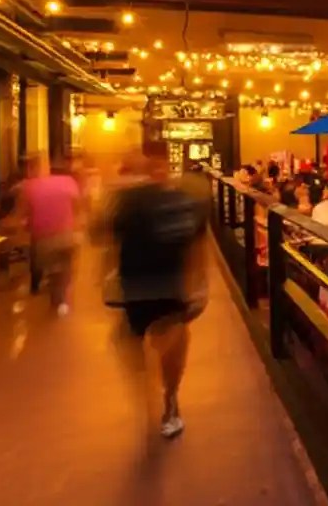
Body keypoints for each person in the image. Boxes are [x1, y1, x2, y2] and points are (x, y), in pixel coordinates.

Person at [109, 147, 212, 439]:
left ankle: (162, 399)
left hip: (147, 285)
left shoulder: (129, 201)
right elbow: (197, 244)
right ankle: (167, 400)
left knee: (149, 346)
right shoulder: (180, 201)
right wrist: (200, 284)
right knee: (168, 344)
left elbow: (196, 243)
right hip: (158, 286)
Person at [16, 154, 82, 314]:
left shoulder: (29, 187)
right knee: (66, 267)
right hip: (67, 236)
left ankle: (55, 297)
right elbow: (79, 208)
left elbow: (22, 214)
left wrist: (23, 226)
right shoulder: (69, 182)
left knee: (52, 268)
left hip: (44, 239)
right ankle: (62, 298)